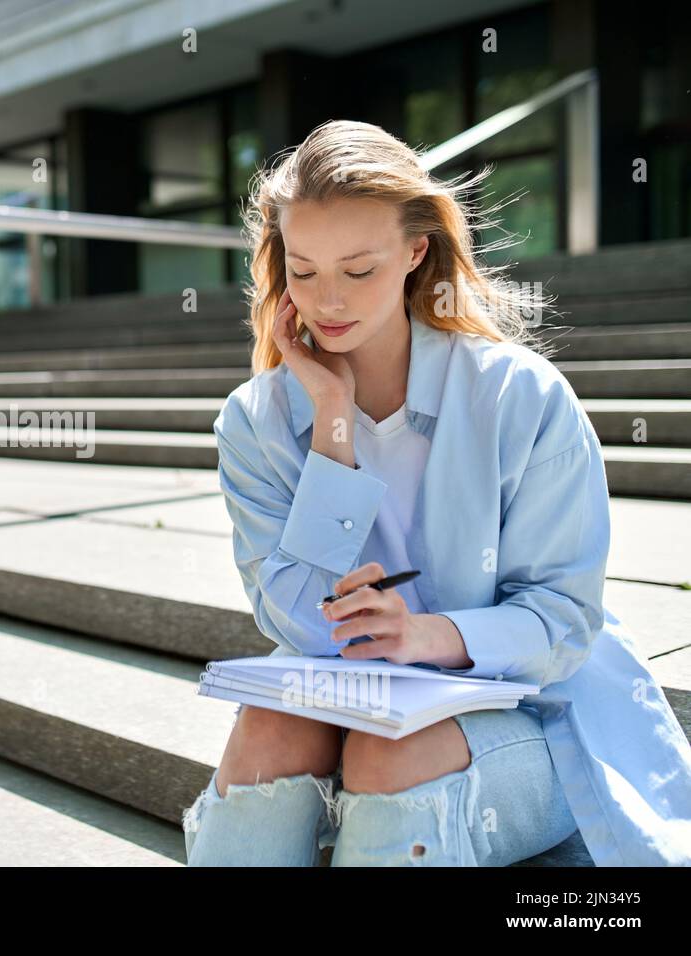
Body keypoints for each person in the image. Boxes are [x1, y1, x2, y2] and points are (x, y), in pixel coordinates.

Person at [182, 119, 691, 866]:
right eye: (305, 270)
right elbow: (296, 620)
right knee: (270, 727)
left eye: (359, 270)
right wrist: (334, 427)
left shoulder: (519, 396)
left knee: (389, 757)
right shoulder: (257, 420)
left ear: (416, 251)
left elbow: (563, 619)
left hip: (536, 716)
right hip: (359, 707)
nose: (329, 301)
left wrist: (427, 637)